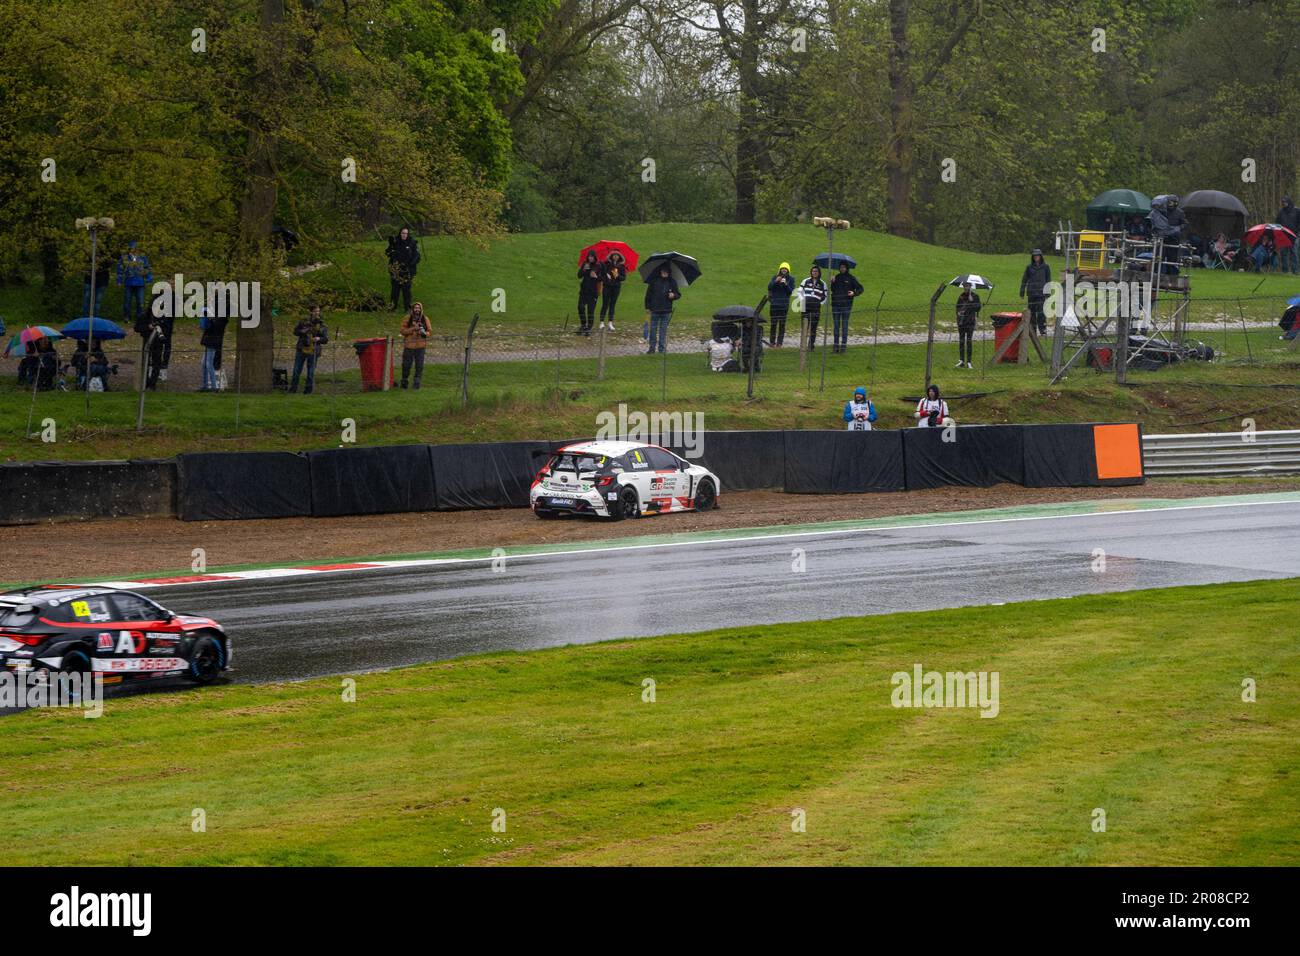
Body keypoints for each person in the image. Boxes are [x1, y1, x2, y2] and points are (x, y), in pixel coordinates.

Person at [290, 304, 328, 394]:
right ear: (311, 312)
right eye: (315, 311)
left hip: (314, 350)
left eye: (318, 311)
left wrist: (319, 339)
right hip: (302, 348)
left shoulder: (322, 324)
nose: (317, 313)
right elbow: (295, 332)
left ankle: (308, 391)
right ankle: (293, 390)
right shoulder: (303, 322)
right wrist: (303, 331)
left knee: (310, 372)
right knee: (296, 370)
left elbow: (326, 339)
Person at [643, 264, 679, 355]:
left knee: (663, 331)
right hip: (654, 310)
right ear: (660, 272)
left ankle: (662, 349)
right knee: (653, 331)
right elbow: (648, 296)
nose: (664, 273)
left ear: (669, 272)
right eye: (663, 271)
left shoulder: (672, 282)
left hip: (666, 310)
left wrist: (673, 295)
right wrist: (647, 308)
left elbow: (678, 294)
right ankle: (651, 349)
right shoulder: (654, 281)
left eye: (666, 271)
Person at [829, 262, 864, 354]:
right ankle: (836, 346)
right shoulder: (836, 277)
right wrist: (832, 282)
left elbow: (860, 288)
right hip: (836, 305)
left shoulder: (851, 278)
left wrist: (854, 293)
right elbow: (833, 289)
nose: (842, 269)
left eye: (844, 267)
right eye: (840, 267)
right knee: (836, 327)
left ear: (847, 268)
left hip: (846, 306)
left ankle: (843, 346)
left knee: (844, 326)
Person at [116, 240, 152, 325]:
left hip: (140, 283)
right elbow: (119, 270)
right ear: (130, 249)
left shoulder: (143, 258)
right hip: (129, 282)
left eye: (136, 248)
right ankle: (126, 317)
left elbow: (147, 269)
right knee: (127, 302)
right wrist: (119, 280)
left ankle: (139, 318)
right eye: (133, 248)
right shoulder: (124, 258)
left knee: (140, 302)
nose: (134, 250)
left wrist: (149, 279)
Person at [385, 227, 420, 311]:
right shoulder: (395, 242)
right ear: (400, 233)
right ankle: (392, 307)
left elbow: (417, 256)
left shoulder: (412, 243)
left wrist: (410, 265)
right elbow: (388, 253)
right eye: (402, 233)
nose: (404, 235)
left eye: (406, 233)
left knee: (406, 290)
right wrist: (390, 245)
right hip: (396, 269)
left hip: (407, 270)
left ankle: (407, 308)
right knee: (395, 289)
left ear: (408, 234)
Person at [133, 301, 167, 390]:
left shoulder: (163, 317)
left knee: (157, 362)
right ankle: (145, 381)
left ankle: (153, 383)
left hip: (158, 341)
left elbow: (167, 329)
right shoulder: (144, 316)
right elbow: (136, 328)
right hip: (147, 340)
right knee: (145, 362)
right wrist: (148, 328)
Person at [1019, 249, 1051, 337]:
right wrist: (1022, 291)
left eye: (1038, 256)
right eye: (1034, 256)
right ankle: (1033, 330)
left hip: (1041, 293)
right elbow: (1024, 279)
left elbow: (1048, 280)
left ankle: (1042, 330)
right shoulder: (1029, 267)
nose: (1036, 257)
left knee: (1041, 312)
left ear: (1041, 256)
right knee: (1031, 312)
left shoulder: (1046, 267)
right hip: (1032, 293)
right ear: (1033, 257)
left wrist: (1048, 293)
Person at [399, 301, 430, 389]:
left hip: (421, 347)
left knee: (419, 366)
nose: (417, 309)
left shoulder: (425, 319)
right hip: (409, 346)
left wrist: (423, 333)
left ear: (421, 309)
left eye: (419, 308)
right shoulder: (407, 318)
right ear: (413, 309)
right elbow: (402, 331)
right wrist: (413, 329)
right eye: (415, 308)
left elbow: (429, 331)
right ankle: (404, 382)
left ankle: (416, 384)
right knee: (406, 365)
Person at [199, 306, 229, 392]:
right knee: (204, 363)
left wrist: (209, 317)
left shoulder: (221, 319)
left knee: (208, 363)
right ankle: (206, 386)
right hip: (209, 341)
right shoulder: (216, 317)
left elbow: (212, 327)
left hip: (213, 342)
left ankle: (214, 386)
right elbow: (205, 326)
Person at [799, 265, 827, 350]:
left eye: (816, 271)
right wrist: (802, 301)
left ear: (819, 273)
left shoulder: (822, 283)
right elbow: (800, 292)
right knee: (804, 327)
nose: (814, 273)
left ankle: (811, 346)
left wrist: (819, 303)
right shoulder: (805, 281)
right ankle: (802, 346)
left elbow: (825, 296)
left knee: (813, 328)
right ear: (811, 272)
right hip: (805, 307)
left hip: (816, 308)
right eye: (813, 271)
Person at [767, 262, 795, 347]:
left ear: (788, 270)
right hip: (774, 304)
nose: (784, 270)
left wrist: (786, 284)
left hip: (784, 305)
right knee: (773, 324)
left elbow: (791, 292)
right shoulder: (775, 277)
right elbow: (769, 287)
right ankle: (772, 342)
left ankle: (779, 343)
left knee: (782, 324)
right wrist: (776, 281)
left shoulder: (791, 279)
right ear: (780, 269)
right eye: (782, 268)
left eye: (785, 269)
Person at [955, 282, 980, 369]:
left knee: (969, 341)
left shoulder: (975, 296)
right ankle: (961, 360)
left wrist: (972, 301)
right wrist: (959, 313)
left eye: (967, 286)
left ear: (970, 287)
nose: (966, 288)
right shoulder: (961, 296)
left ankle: (969, 361)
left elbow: (978, 308)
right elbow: (957, 307)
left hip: (970, 322)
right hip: (961, 322)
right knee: (961, 341)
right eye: (964, 286)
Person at [81, 247, 112, 318]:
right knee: (87, 299)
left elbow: (109, 264)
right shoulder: (89, 252)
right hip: (89, 278)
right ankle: (85, 317)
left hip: (101, 279)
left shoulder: (106, 254)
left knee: (97, 301)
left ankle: (96, 318)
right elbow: (84, 265)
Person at [599, 252, 626, 331]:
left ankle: (610, 322)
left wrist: (618, 276)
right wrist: (606, 277)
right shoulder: (606, 264)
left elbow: (623, 278)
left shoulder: (621, 266)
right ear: (611, 256)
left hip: (616, 287)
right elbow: (602, 274)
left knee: (612, 304)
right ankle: (601, 322)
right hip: (607, 286)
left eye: (617, 255)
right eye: (614, 255)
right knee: (605, 303)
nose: (615, 257)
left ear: (619, 257)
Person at [576, 250, 601, 335]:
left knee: (590, 311)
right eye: (589, 256)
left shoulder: (598, 266)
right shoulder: (585, 264)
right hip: (584, 291)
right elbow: (579, 275)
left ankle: (589, 328)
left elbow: (602, 278)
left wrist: (596, 276)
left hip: (593, 292)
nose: (590, 258)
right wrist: (583, 270)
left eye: (592, 256)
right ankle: (583, 325)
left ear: (594, 257)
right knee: (580, 307)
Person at [1278, 197, 1300, 275]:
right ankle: (1285, 271)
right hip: (1283, 235)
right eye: (1283, 202)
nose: (1284, 203)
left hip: (1294, 235)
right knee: (1284, 253)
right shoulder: (1281, 212)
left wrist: (1297, 231)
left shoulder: (1297, 211)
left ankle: (1295, 271)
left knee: (1294, 253)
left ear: (1289, 202)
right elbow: (1277, 223)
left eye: (1285, 202)